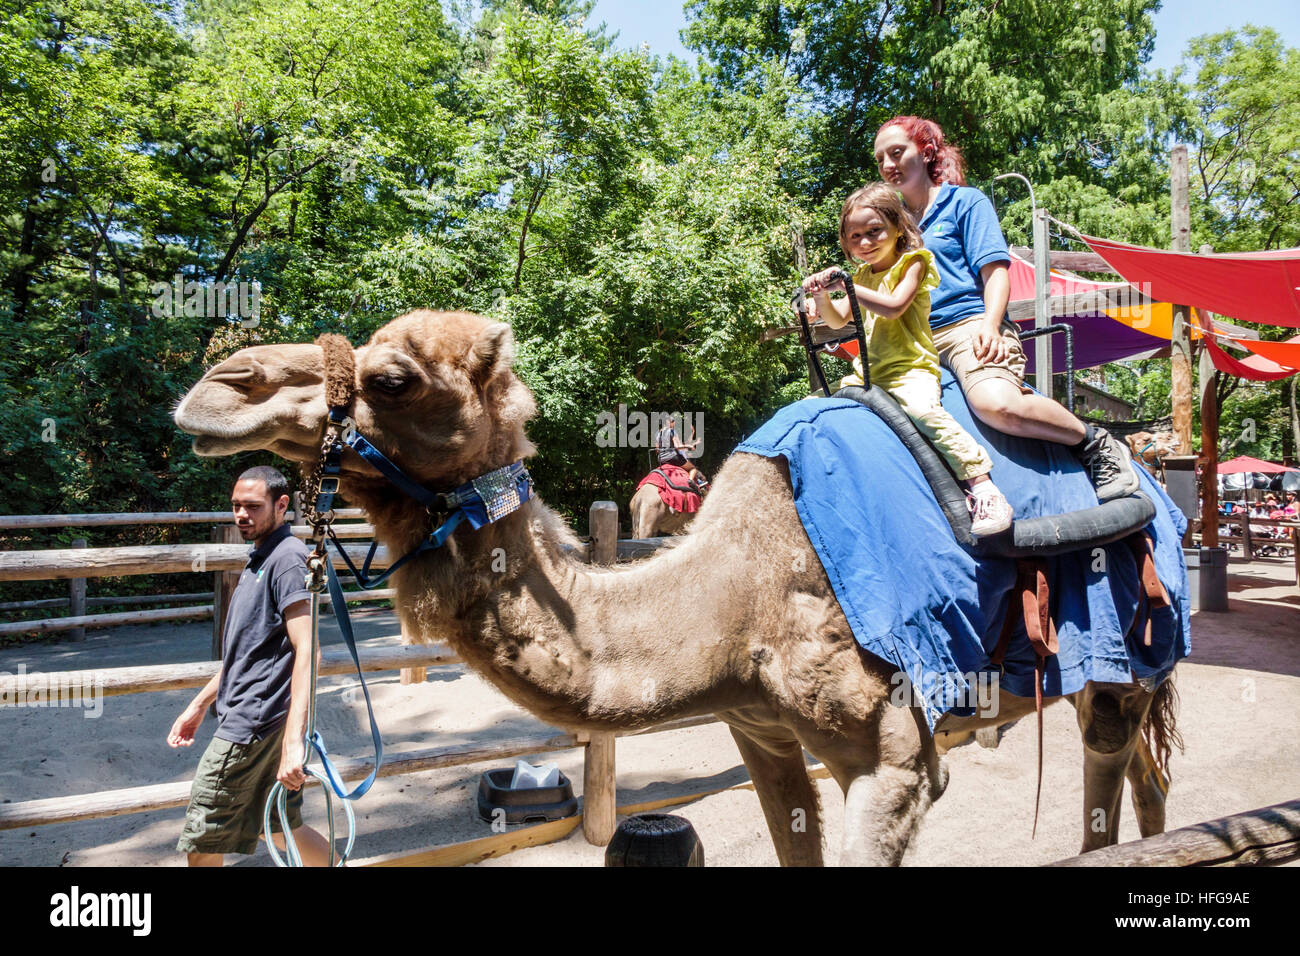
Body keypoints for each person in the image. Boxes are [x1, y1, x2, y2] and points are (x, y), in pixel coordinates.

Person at [872, 116, 1140, 502]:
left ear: (926, 152)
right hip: (911, 339)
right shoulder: (891, 222)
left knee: (995, 404)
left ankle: (1095, 443)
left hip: (967, 327)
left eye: (897, 153)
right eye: (881, 158)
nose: (887, 165)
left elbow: (996, 273)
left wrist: (991, 327)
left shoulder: (964, 202)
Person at [804, 182, 1013, 536]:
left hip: (909, 370)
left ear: (898, 227)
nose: (865, 243)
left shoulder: (913, 262)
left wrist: (848, 289)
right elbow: (839, 319)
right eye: (855, 237)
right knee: (812, 407)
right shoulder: (862, 275)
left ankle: (983, 485)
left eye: (874, 232)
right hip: (869, 374)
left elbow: (894, 306)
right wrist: (821, 297)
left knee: (924, 412)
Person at [168, 465, 334, 866]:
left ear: (281, 505)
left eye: (253, 507)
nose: (242, 515)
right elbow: (248, 652)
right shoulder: (261, 556)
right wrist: (201, 703)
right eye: (236, 506)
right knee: (277, 825)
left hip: (252, 724)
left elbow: (309, 651)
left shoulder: (288, 561)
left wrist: (294, 742)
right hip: (259, 717)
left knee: (204, 835)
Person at [655, 415, 709, 492]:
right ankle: (691, 481)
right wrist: (690, 446)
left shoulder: (658, 433)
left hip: (661, 460)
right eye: (673, 422)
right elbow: (678, 446)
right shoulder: (671, 431)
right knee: (693, 468)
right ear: (668, 422)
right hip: (672, 457)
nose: (673, 424)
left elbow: (657, 450)